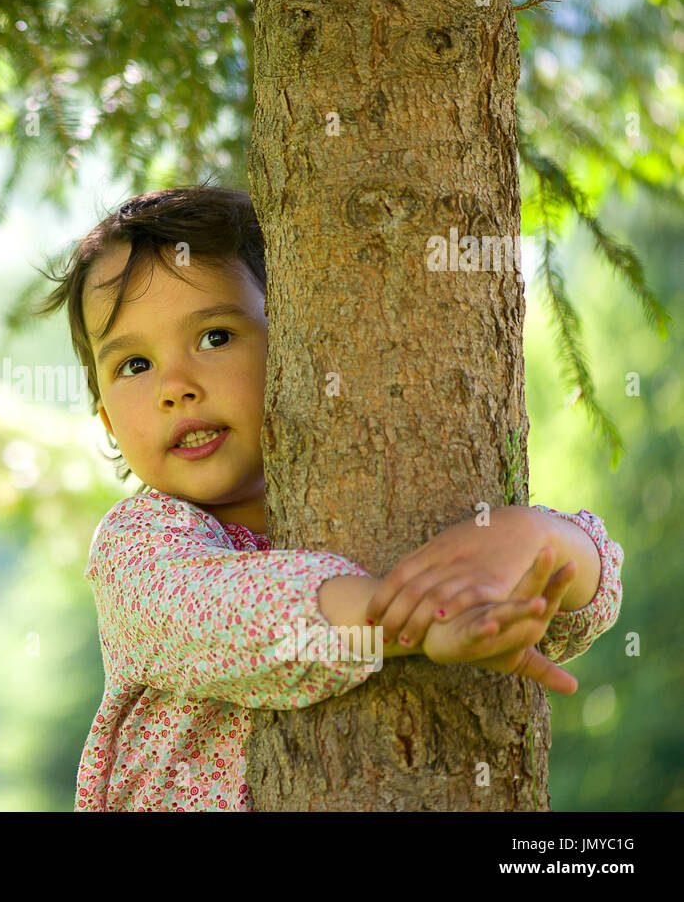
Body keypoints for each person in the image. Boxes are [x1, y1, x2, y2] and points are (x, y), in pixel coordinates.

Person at [31, 182, 623, 811]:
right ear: (106, 421)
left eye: (214, 338)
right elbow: (231, 617)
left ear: (295, 345)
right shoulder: (139, 546)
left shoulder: (378, 493)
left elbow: (577, 605)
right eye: (134, 366)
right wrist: (415, 620)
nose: (175, 388)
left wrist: (535, 536)